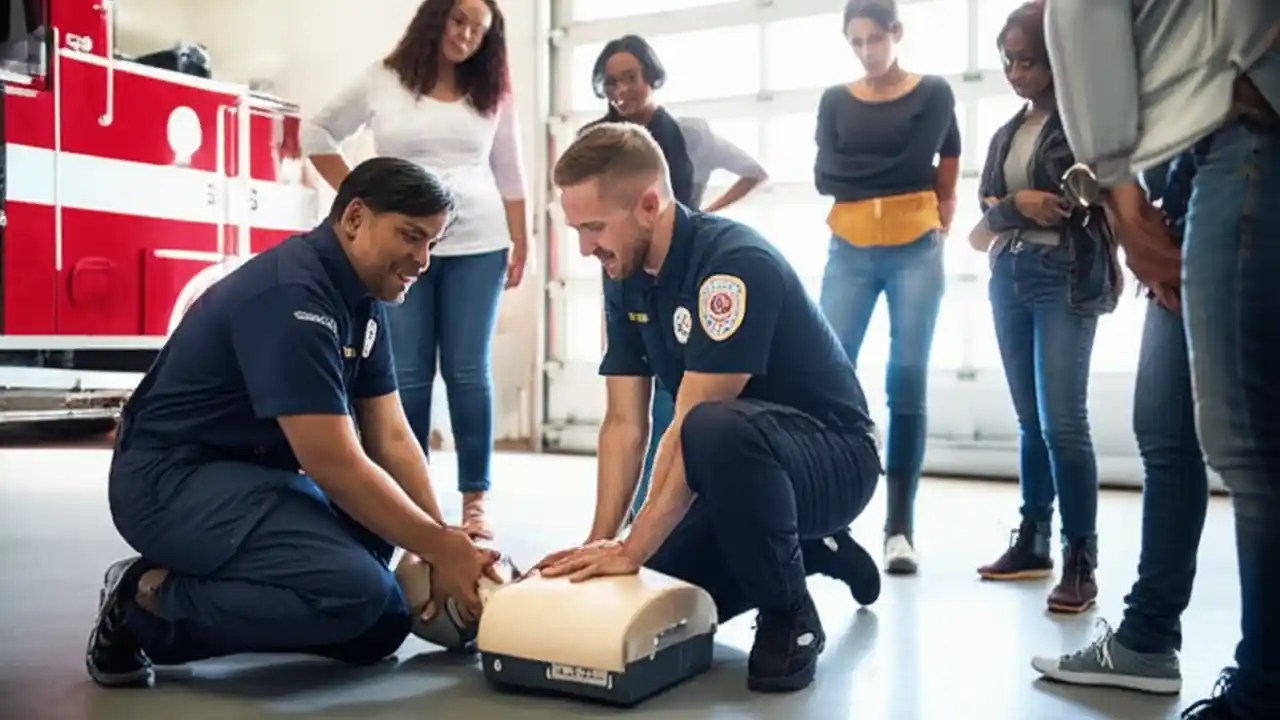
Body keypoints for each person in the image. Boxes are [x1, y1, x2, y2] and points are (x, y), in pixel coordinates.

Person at [85, 158, 503, 689]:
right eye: (411, 236)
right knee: (359, 593)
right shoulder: (292, 296)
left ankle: (234, 581)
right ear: (354, 218)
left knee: (382, 624)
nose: (422, 260)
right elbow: (331, 459)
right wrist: (445, 549)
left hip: (253, 480)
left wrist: (440, 539)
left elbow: (392, 437)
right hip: (171, 482)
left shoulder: (362, 301)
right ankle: (141, 603)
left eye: (432, 244)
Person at [532, 122, 882, 694]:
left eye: (593, 227)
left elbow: (690, 421)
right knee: (665, 589)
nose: (584, 248)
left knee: (709, 429)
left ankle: (790, 616)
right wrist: (601, 546)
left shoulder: (732, 265)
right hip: (740, 465)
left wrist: (632, 547)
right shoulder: (623, 276)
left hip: (833, 459)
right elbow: (624, 423)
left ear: (649, 204)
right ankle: (811, 550)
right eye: (576, 229)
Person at [1045, 2, 1279, 717]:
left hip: (1241, 123)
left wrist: (1112, 177)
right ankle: (1148, 636)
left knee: (1252, 443)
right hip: (1190, 150)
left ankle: (1265, 691)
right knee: (1169, 427)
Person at [303, 0, 529, 537]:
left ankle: (476, 501)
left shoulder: (491, 90)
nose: (467, 35)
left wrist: (522, 239)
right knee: (406, 373)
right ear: (436, 17)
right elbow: (317, 134)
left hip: (479, 242)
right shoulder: (386, 79)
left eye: (479, 29)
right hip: (400, 247)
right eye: (459, 20)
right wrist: (366, 203)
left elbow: (510, 171)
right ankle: (410, 499)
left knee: (468, 370)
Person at [1031, 151, 1207, 694]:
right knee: (1165, 438)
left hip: (1216, 223)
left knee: (1229, 451)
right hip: (1180, 226)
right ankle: (1147, 641)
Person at [967, 1, 1121, 614]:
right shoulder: (1009, 130)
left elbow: (1085, 198)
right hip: (1008, 274)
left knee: (1063, 423)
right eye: (1006, 61)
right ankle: (1032, 543)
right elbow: (985, 218)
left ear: (1056, 59)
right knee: (1032, 423)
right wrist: (1016, 204)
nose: (1014, 72)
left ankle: (1079, 557)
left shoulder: (1085, 123)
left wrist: (1017, 204)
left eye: (1026, 60)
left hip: (1062, 275)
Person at [585, 33, 771, 520]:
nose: (621, 89)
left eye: (630, 77)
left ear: (651, 76)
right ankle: (637, 515)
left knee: (678, 400)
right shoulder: (594, 141)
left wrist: (705, 214)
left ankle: (662, 514)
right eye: (610, 82)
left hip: (689, 277)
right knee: (628, 388)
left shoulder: (690, 134)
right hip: (627, 276)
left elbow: (755, 171)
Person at [814, 0, 961, 575]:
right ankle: (830, 513)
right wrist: (898, 174)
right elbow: (828, 176)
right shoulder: (835, 99)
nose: (866, 51)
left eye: (874, 39)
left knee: (906, 380)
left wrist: (924, 192)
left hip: (915, 249)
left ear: (896, 33)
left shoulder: (935, 92)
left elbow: (935, 156)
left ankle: (899, 528)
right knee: (829, 373)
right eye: (856, 42)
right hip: (848, 247)